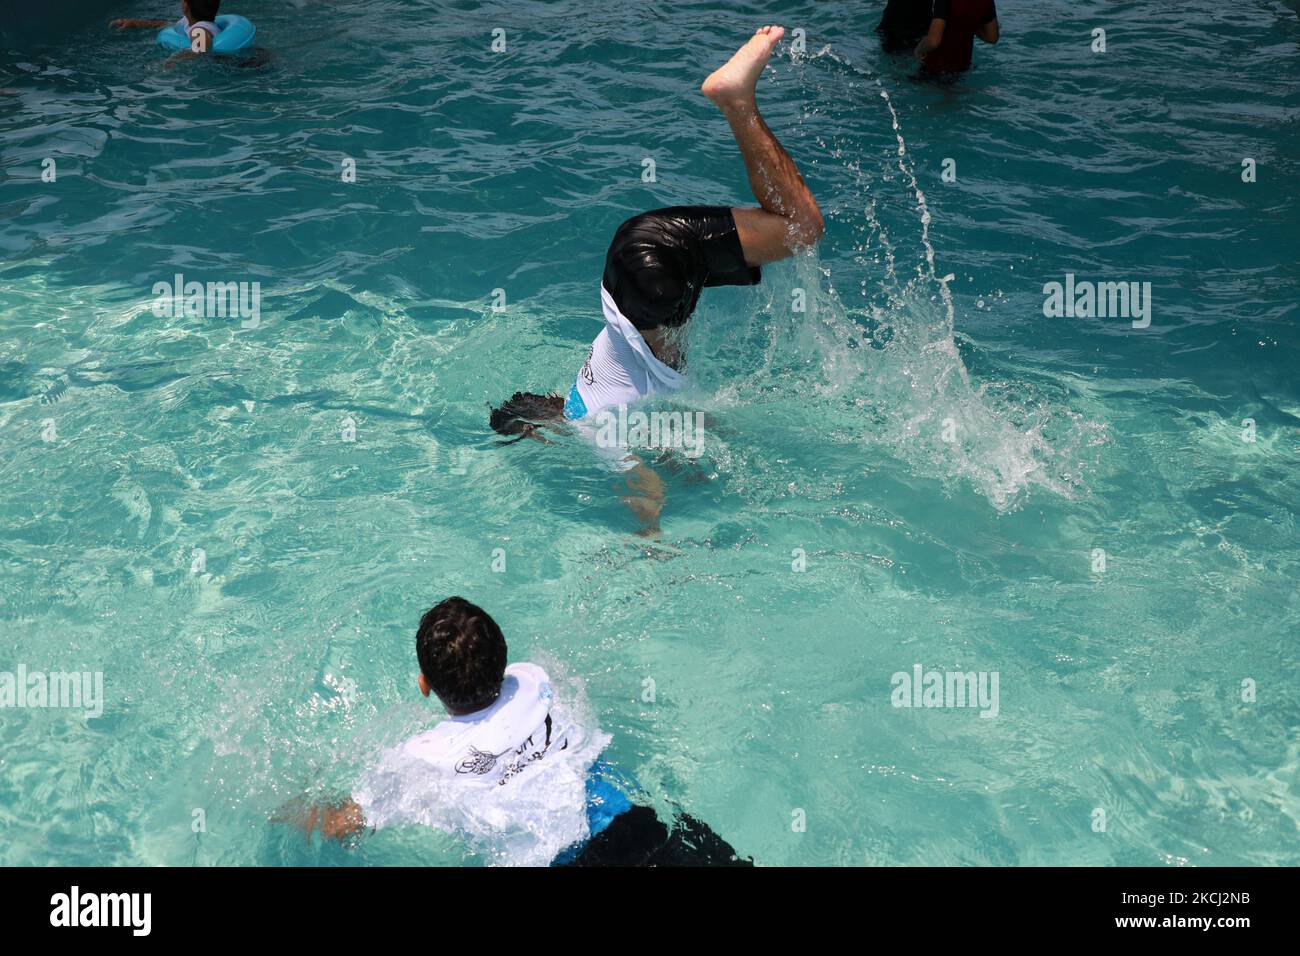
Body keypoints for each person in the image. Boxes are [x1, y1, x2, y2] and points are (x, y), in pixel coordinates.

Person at [489, 26, 824, 535]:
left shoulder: (599, 430)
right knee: (792, 227)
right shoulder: (587, 386)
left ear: (543, 426)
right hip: (632, 248)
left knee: (803, 229)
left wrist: (651, 546)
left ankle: (736, 102)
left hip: (656, 280)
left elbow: (646, 492)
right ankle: (734, 98)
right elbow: (677, 422)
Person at [281, 596, 750, 867]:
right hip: (640, 828)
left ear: (424, 686)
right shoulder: (534, 680)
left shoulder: (420, 758)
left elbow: (343, 825)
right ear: (504, 662)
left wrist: (280, 803)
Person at [915, 0, 1000, 75]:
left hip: (934, 71)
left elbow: (933, 42)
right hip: (963, 68)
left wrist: (918, 50)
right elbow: (992, 37)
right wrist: (967, 24)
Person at [109, 0, 223, 51]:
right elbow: (167, 25)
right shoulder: (189, 21)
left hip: (223, 63)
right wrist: (136, 23)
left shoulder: (199, 28)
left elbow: (201, 48)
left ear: (185, 6)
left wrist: (174, 60)